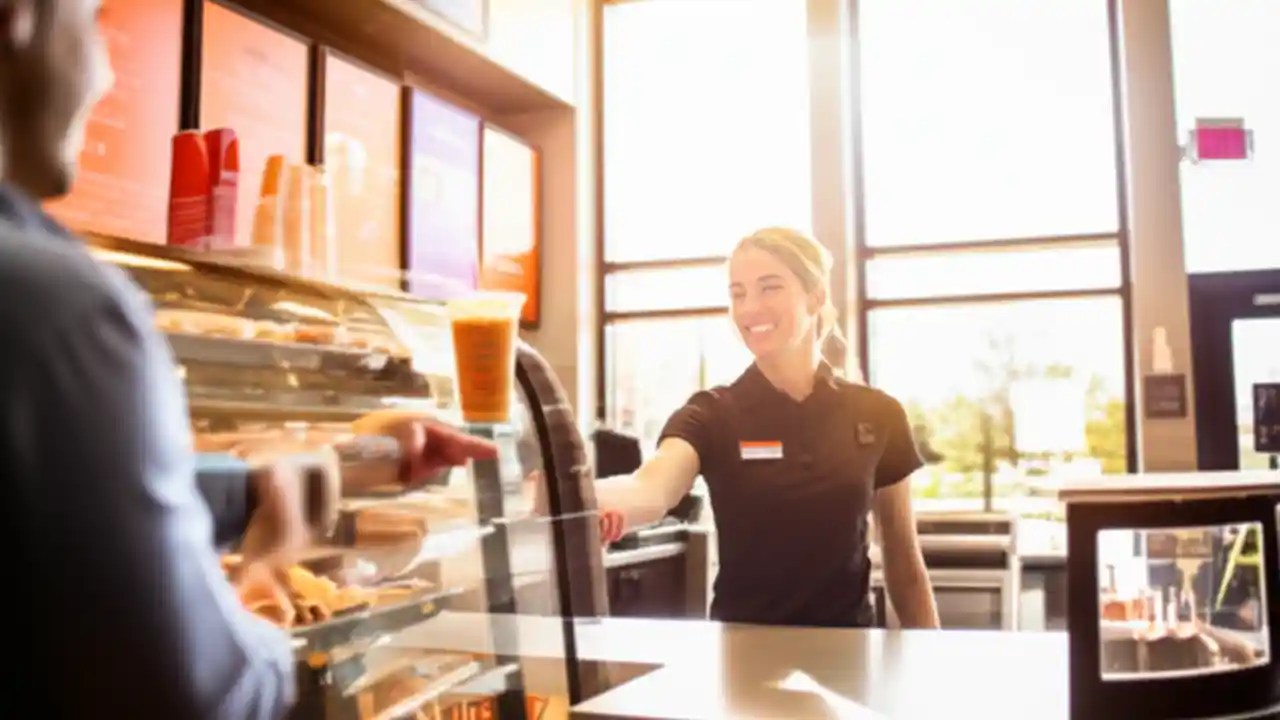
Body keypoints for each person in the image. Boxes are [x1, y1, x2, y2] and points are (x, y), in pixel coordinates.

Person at [0, 2, 495, 718]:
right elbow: (206, 693)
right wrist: (266, 571)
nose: (106, 74)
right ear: (18, 18)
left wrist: (342, 460)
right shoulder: (60, 310)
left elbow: (81, 485)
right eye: (92, 21)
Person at [596, 227, 939, 629]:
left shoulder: (878, 413)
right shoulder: (712, 413)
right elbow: (649, 490)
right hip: (745, 658)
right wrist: (574, 494)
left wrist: (931, 661)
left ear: (816, 297)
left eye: (769, 288)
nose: (749, 308)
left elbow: (903, 561)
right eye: (738, 293)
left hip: (848, 655)